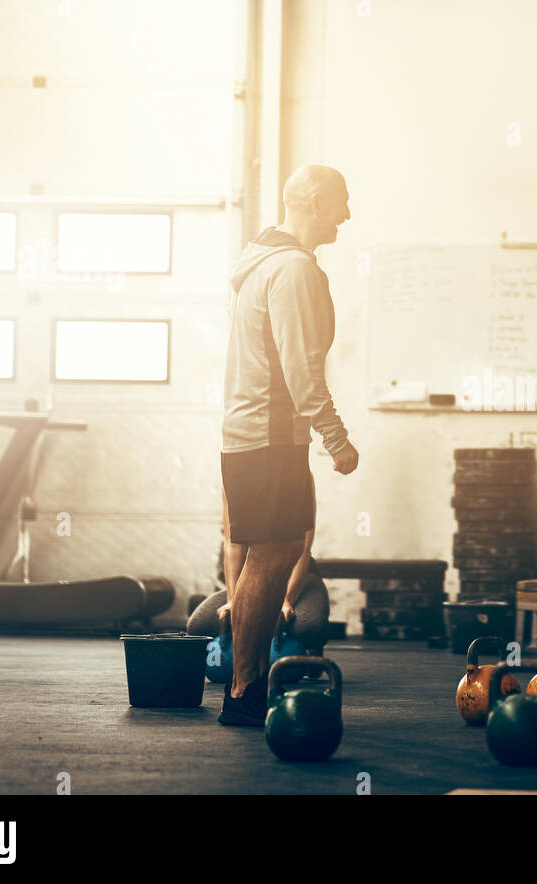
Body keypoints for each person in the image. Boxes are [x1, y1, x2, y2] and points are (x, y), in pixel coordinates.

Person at [217, 164, 358, 727]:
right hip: (270, 437)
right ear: (316, 202)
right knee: (272, 556)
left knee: (271, 557)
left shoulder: (266, 264)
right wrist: (337, 438)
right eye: (341, 203)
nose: (347, 215)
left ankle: (244, 689)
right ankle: (244, 690)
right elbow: (302, 371)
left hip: (257, 436)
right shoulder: (293, 270)